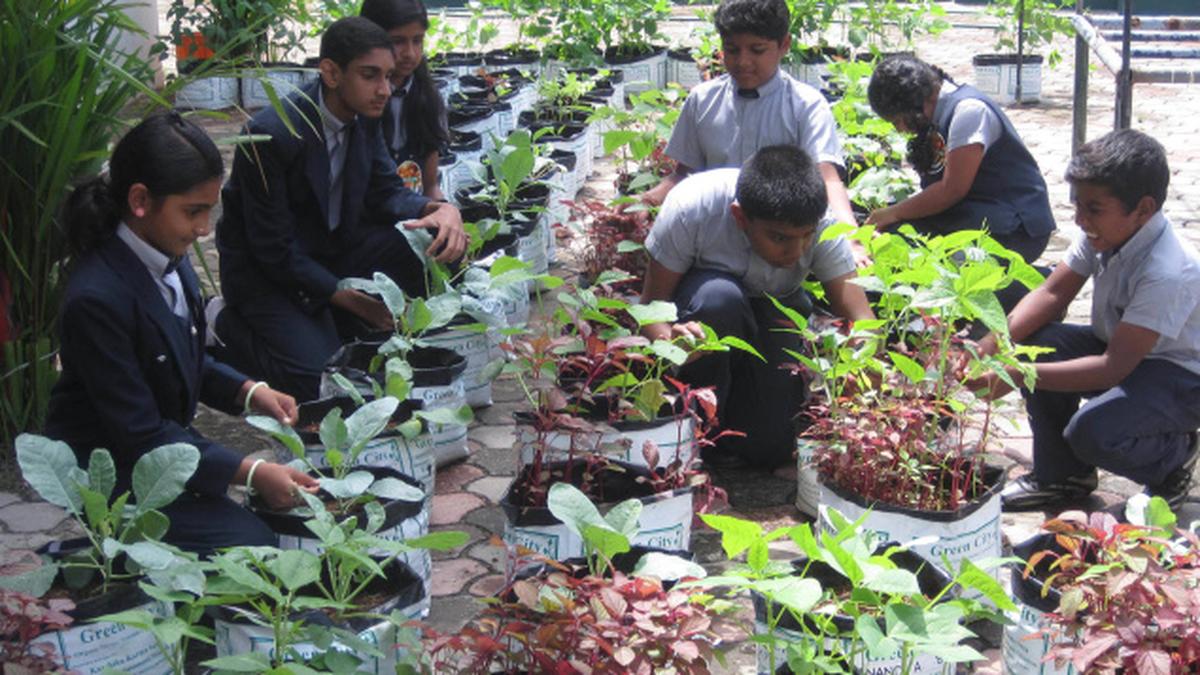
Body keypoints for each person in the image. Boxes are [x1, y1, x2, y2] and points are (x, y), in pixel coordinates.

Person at [44, 112, 318, 557]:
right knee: (254, 547)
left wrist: (250, 391)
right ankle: (90, 555)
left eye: (208, 211)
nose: (204, 229)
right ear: (140, 200)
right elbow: (140, 434)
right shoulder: (96, 299)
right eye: (193, 212)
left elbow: (180, 358)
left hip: (162, 449)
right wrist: (250, 472)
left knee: (264, 535)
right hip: (119, 473)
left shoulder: (166, 254)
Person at [214, 17, 467, 403]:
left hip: (331, 252)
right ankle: (224, 324)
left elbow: (386, 193)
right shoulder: (271, 136)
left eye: (387, 76)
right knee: (319, 382)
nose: (384, 90)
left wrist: (439, 208)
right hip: (270, 276)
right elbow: (273, 251)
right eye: (370, 76)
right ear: (331, 73)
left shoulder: (363, 115)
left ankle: (336, 323)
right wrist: (347, 297)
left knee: (435, 237)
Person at [971, 130, 1200, 511]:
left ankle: (1172, 458)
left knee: (1091, 432)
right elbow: (1052, 293)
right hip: (1124, 349)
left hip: (1180, 376)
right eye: (1077, 206)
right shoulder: (1104, 232)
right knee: (1036, 345)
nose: (1080, 219)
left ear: (1143, 209)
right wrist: (989, 346)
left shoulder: (1169, 270)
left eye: (1093, 209)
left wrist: (1014, 373)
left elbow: (1112, 369)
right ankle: (1063, 476)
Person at [639, 145, 873, 469]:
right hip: (706, 306)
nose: (797, 250)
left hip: (776, 305)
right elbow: (650, 308)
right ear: (739, 216)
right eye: (780, 238)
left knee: (770, 447)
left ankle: (736, 418)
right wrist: (672, 345)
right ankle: (695, 422)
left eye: (806, 236)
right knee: (720, 300)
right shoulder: (692, 207)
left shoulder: (823, 227)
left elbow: (862, 320)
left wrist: (859, 362)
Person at [638, 0, 856, 232]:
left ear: (784, 45)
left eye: (757, 50)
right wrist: (647, 199)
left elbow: (827, 179)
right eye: (732, 50)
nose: (743, 61)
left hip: (785, 244)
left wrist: (851, 236)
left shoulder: (806, 106)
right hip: (713, 239)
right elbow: (685, 174)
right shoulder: (702, 100)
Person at [865, 55, 1055, 265]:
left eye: (898, 121)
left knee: (925, 259)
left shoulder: (969, 112)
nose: (899, 129)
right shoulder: (938, 116)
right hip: (978, 214)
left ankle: (1029, 286)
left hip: (1016, 229)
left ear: (915, 105)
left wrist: (892, 213)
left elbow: (951, 190)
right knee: (895, 236)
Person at [360, 0, 449, 199]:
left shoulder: (428, 100)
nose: (409, 53)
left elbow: (430, 187)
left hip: (412, 216)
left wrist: (443, 212)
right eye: (397, 41)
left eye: (417, 41)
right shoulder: (357, 103)